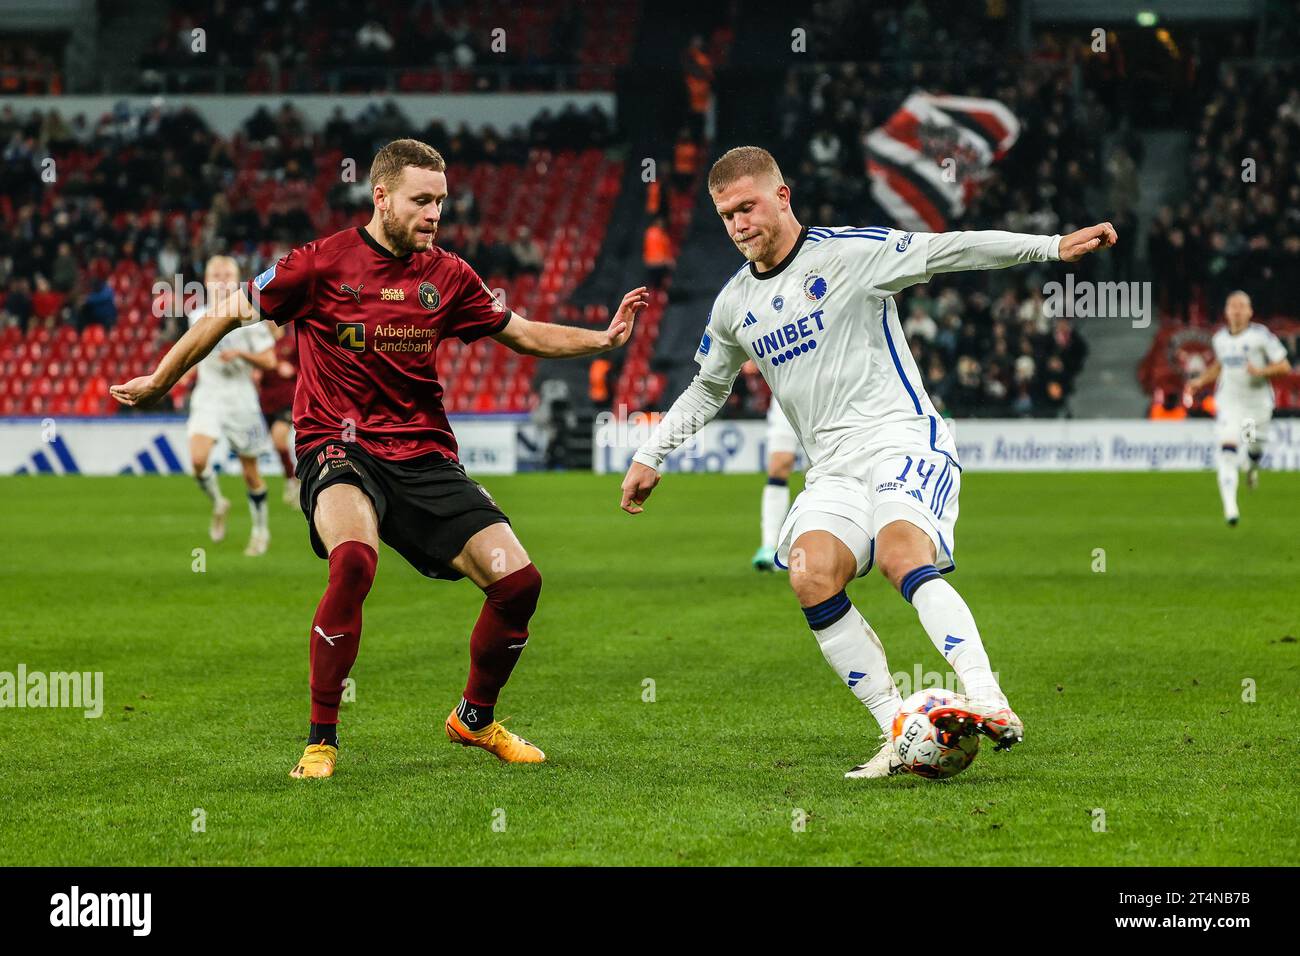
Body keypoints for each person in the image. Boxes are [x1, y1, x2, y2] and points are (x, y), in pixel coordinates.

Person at [112, 138, 649, 779]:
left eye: (441, 202)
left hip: (422, 454)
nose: (434, 214)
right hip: (337, 446)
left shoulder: (448, 275)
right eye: (422, 201)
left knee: (519, 585)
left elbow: (523, 333)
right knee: (354, 562)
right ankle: (321, 740)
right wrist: (161, 378)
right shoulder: (320, 264)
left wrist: (605, 338)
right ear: (382, 197)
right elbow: (226, 314)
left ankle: (473, 720)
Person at [621, 146, 1118, 778]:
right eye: (726, 216)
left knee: (899, 556)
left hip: (901, 439)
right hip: (832, 468)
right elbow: (709, 387)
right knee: (808, 574)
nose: (739, 224)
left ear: (782, 196)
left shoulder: (852, 253)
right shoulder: (733, 305)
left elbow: (948, 250)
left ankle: (989, 697)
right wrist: (651, 452)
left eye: (747, 207)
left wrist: (1049, 248)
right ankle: (898, 728)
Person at [182, 255, 276, 556]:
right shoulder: (196, 315)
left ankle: (260, 530)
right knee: (198, 461)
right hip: (208, 394)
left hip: (240, 397)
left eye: (227, 275)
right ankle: (219, 502)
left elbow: (270, 360)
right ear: (206, 281)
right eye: (215, 275)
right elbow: (191, 353)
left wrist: (241, 355)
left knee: (251, 473)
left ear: (236, 280)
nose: (221, 280)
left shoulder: (250, 316)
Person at [1186, 291, 1291, 525]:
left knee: (1253, 447)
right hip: (1230, 403)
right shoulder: (1220, 339)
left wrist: (1261, 372)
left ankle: (1252, 468)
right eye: (1232, 306)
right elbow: (1219, 365)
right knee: (1228, 450)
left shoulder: (1261, 337)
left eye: (1241, 306)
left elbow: (1284, 365)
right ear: (1226, 311)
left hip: (1256, 406)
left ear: (1250, 312)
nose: (1236, 310)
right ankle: (1231, 509)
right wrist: (1200, 381)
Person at [747, 359, 801, 571]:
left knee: (827, 466)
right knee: (779, 465)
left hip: (825, 389)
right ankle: (770, 547)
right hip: (784, 391)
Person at [259, 321, 300, 504]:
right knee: (278, 446)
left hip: (287, 400)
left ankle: (293, 481)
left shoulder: (291, 342)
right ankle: (292, 479)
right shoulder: (262, 345)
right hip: (267, 403)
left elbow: (307, 369)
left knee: (279, 439)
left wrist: (293, 371)